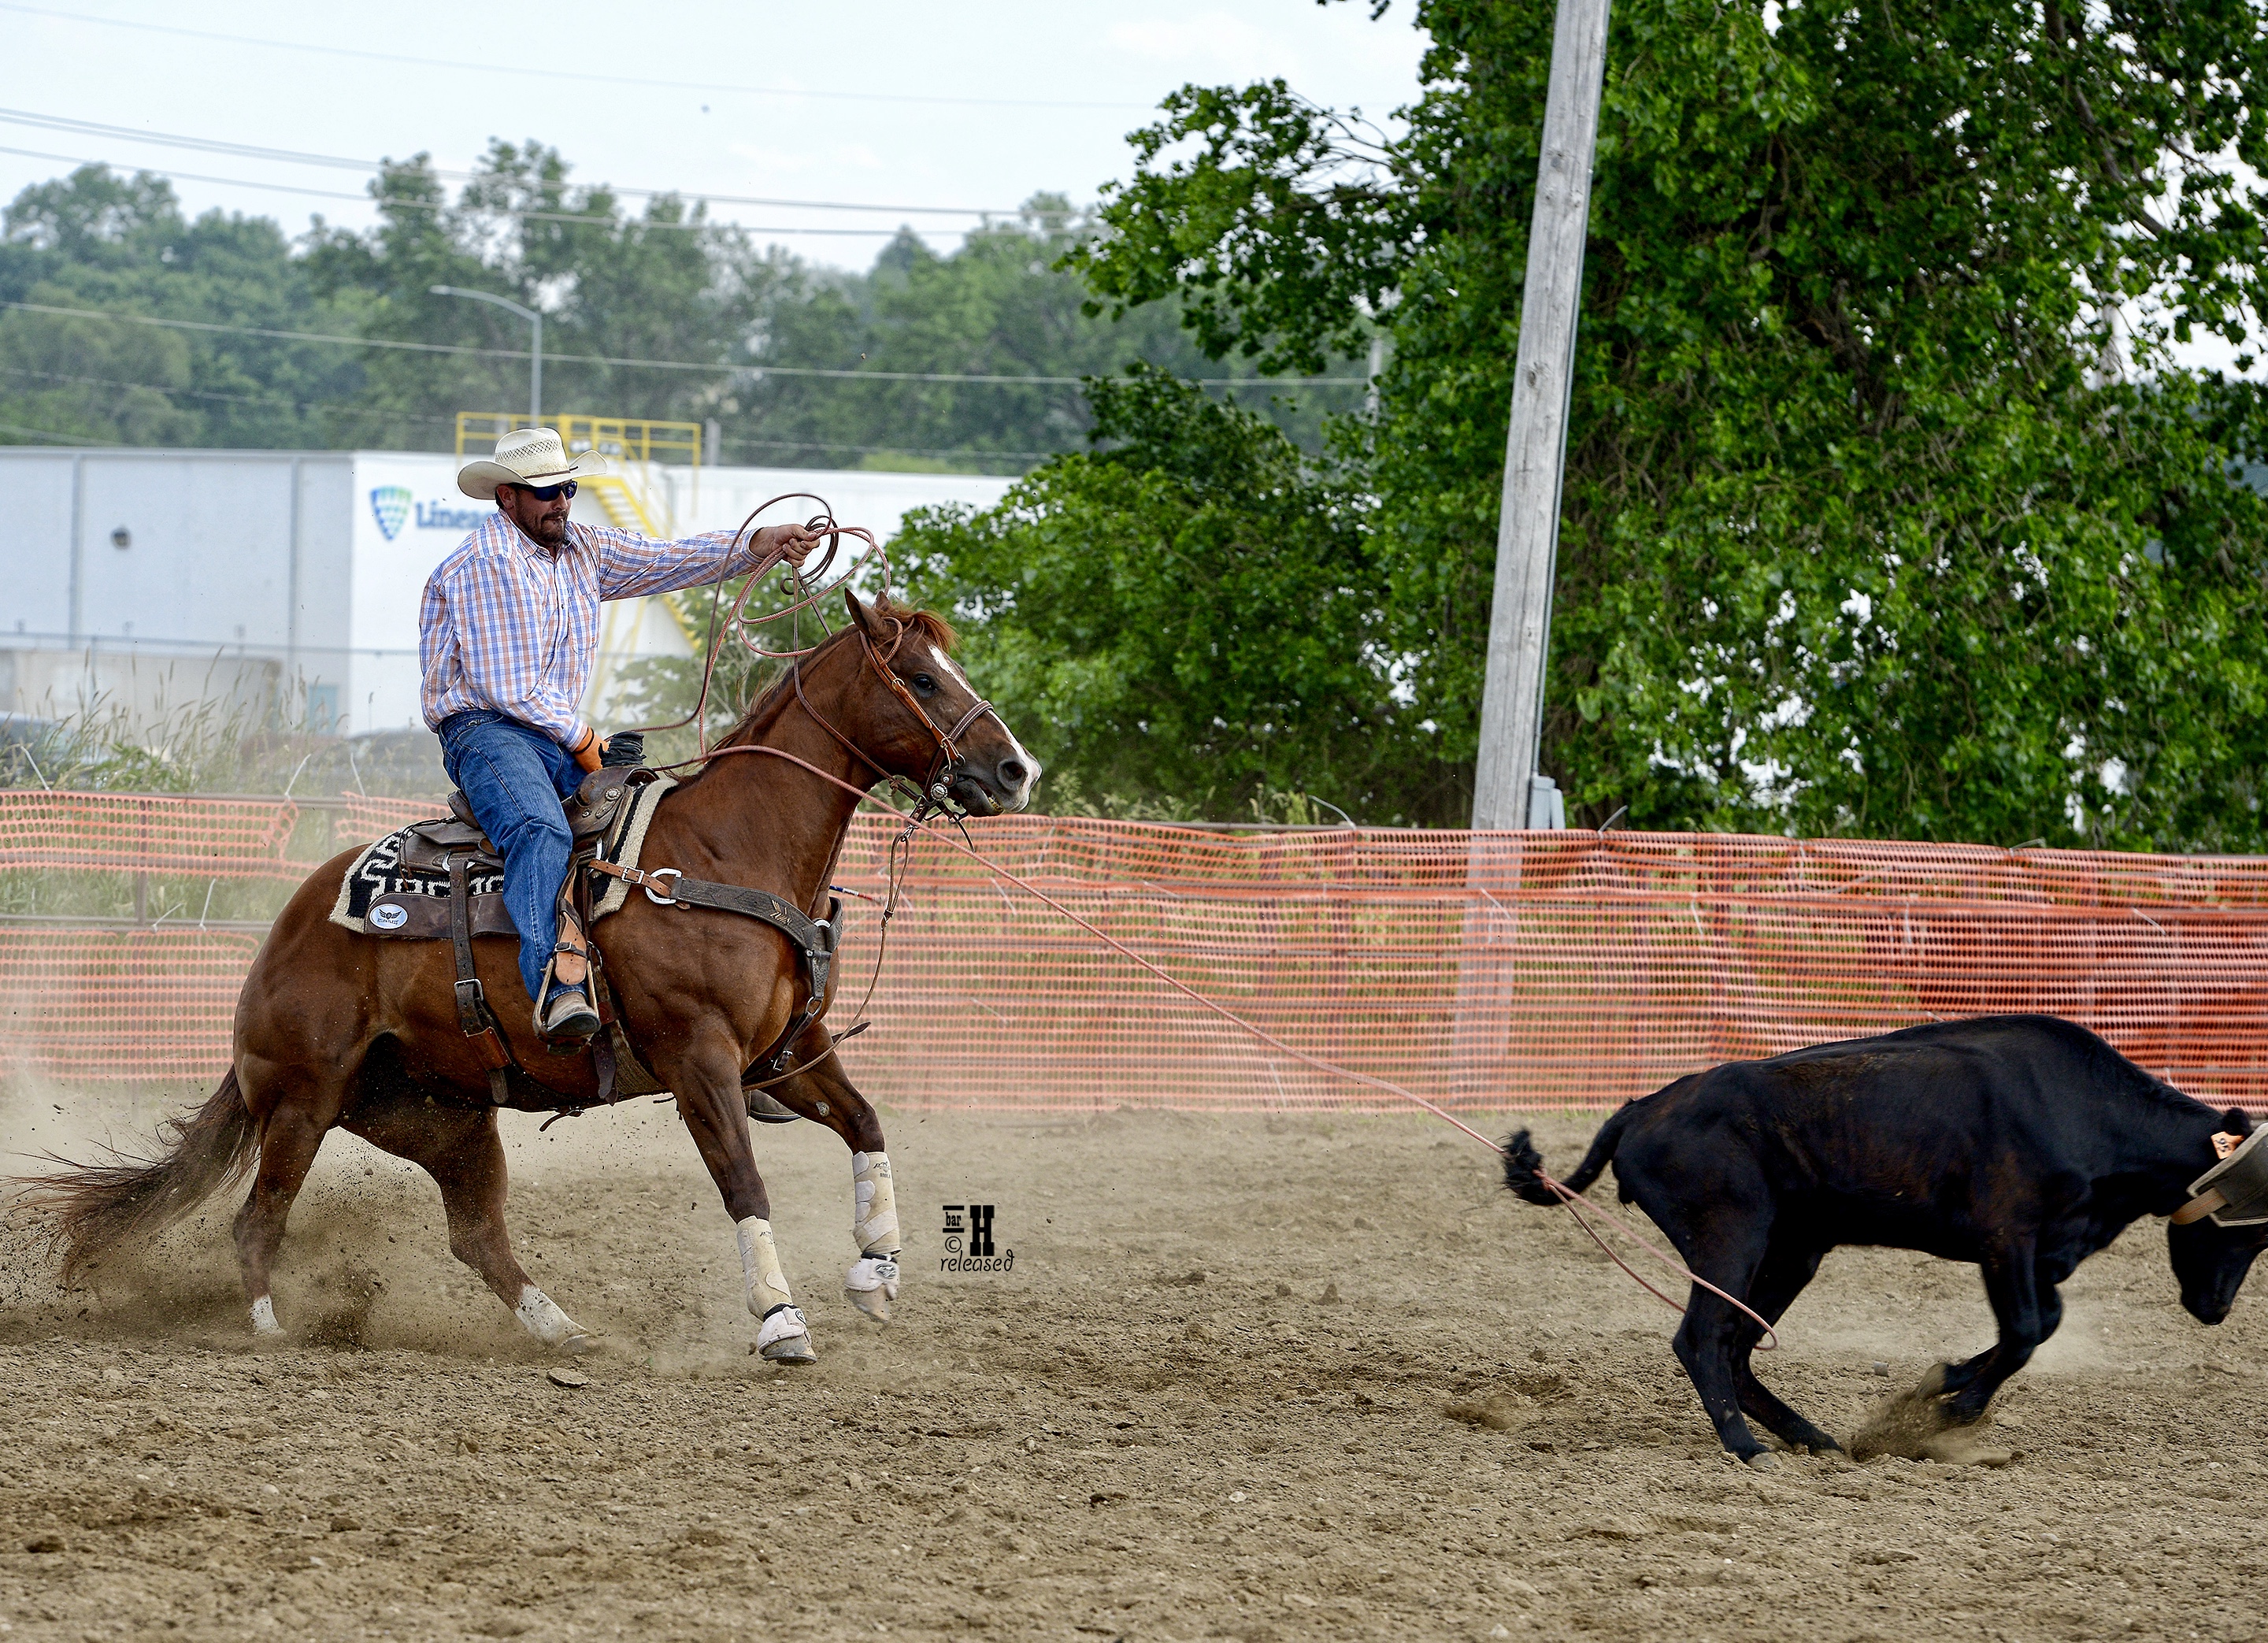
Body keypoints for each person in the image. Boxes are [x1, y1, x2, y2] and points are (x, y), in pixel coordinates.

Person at [418, 426, 815, 1041]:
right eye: (547, 491)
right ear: (507, 498)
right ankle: (556, 986)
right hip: (486, 732)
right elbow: (507, 688)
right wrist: (587, 743)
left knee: (656, 825)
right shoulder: (484, 566)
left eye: (568, 487)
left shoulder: (583, 549)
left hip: (549, 733)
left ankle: (718, 1015)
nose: (562, 502)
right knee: (540, 829)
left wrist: (757, 544)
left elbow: (668, 558)